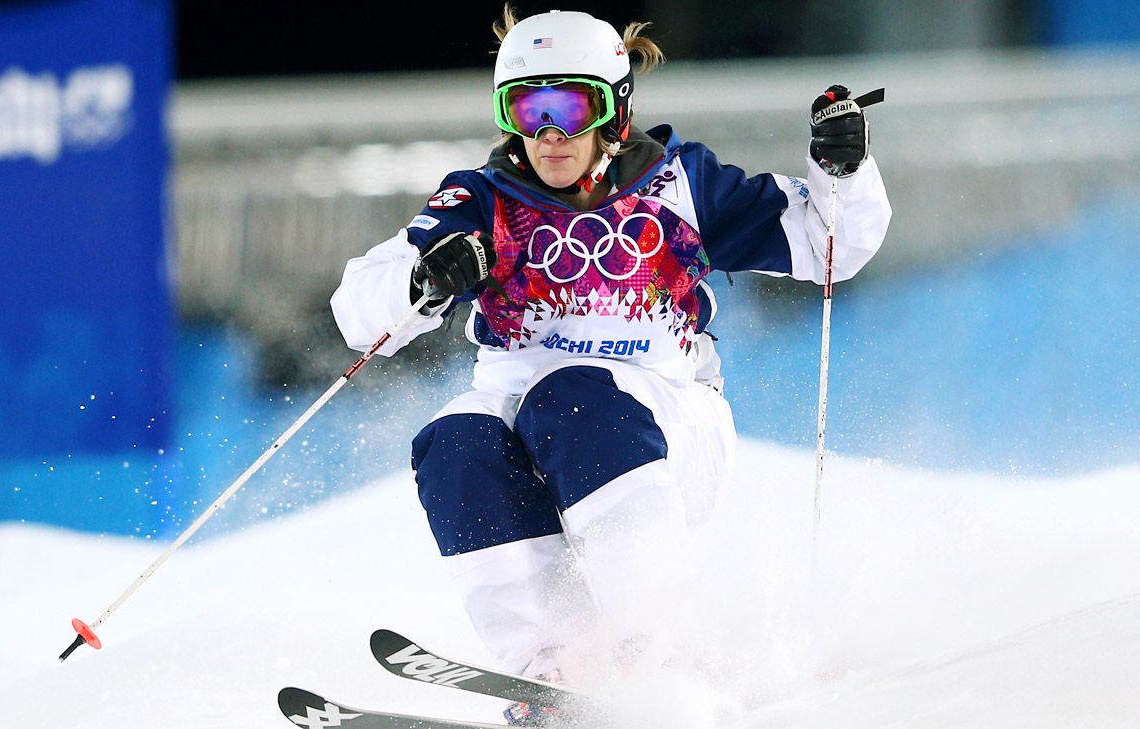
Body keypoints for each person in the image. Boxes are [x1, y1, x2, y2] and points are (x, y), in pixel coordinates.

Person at [331, 6, 890, 721]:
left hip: (663, 425)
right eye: (528, 110)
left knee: (572, 394)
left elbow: (828, 240)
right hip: (529, 431)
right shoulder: (481, 201)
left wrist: (843, 166)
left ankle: (660, 642)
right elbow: (358, 310)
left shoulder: (678, 186)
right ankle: (553, 664)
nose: (550, 134)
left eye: (572, 106)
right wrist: (420, 280)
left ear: (615, 111)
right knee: (454, 440)